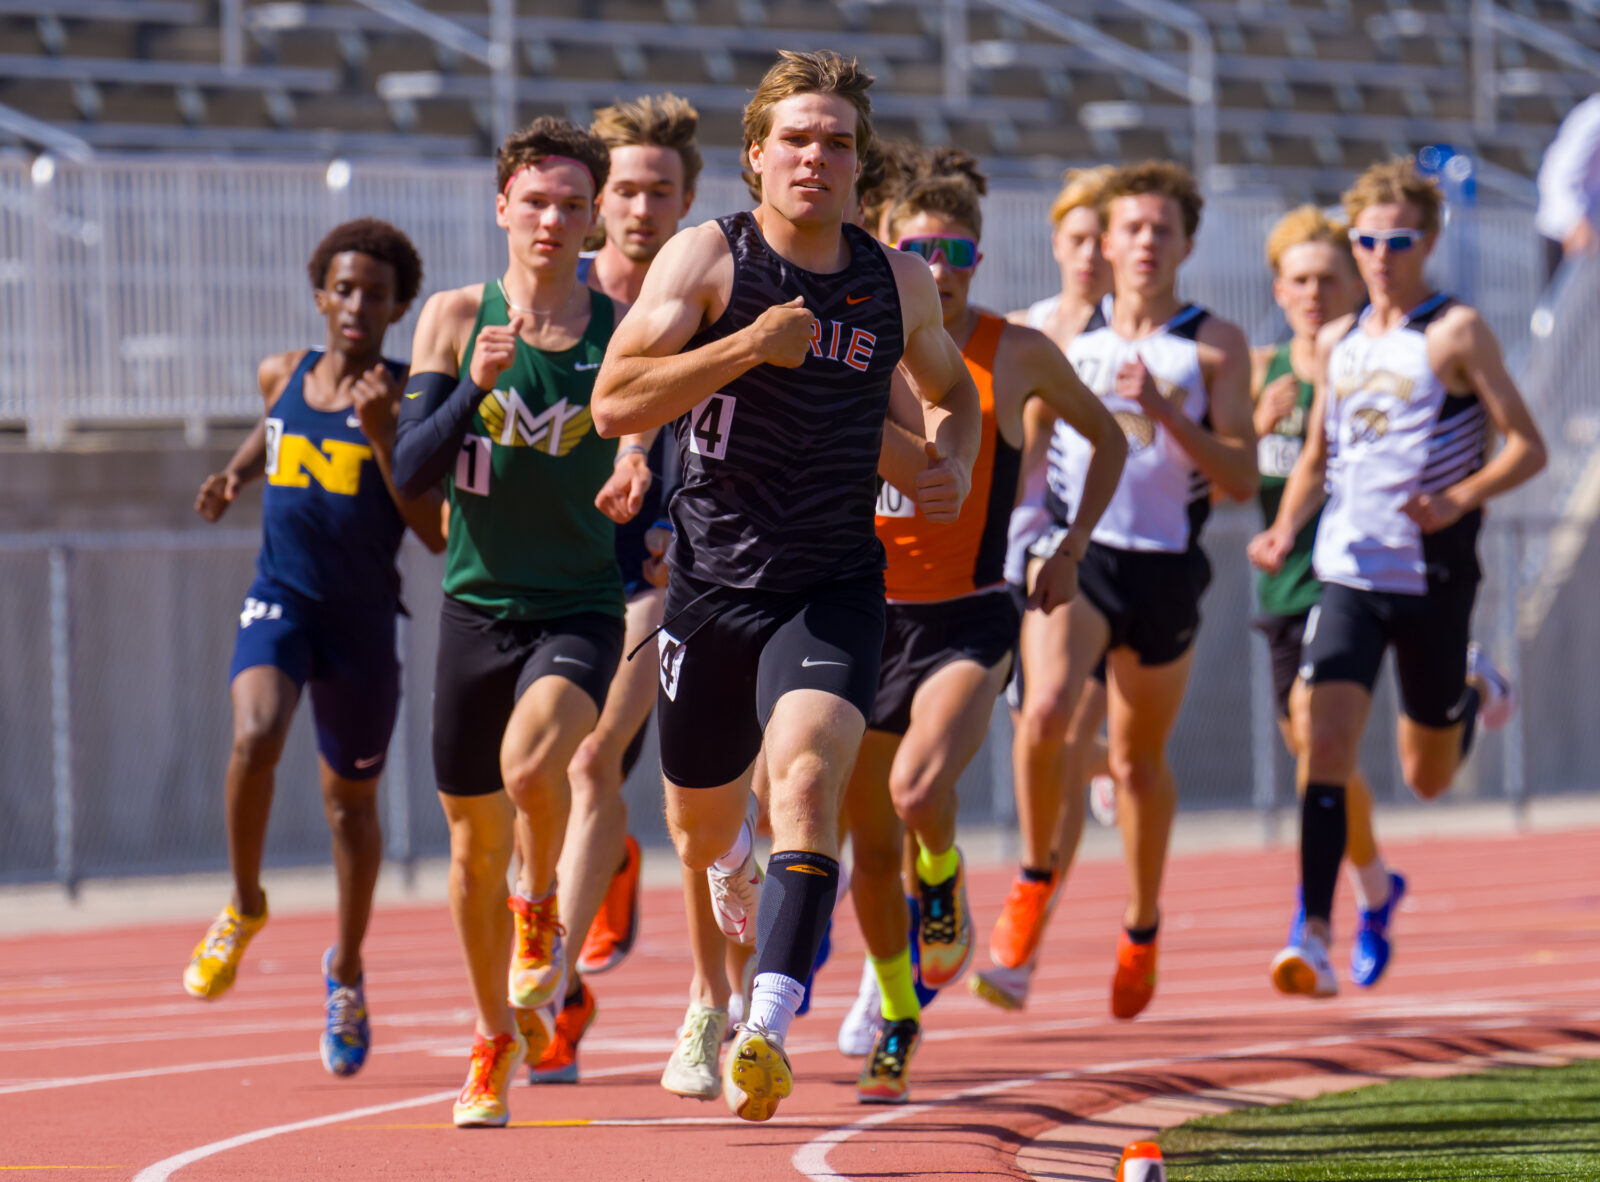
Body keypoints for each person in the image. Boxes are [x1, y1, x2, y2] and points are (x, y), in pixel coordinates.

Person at [591, 49, 982, 1123]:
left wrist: (945, 458)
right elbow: (614, 405)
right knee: (703, 828)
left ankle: (765, 1023)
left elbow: (947, 387)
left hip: (833, 581)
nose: (817, 158)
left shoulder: (893, 279)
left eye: (838, 142)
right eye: (796, 140)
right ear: (757, 156)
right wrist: (750, 347)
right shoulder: (706, 263)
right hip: (712, 587)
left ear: (861, 166)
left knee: (806, 780)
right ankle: (719, 953)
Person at [389, 117, 653, 1128]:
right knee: (467, 851)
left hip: (581, 606)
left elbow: (653, 436)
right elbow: (410, 470)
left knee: (537, 767)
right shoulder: (459, 319)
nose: (551, 219)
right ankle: (494, 1035)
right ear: (501, 207)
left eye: (570, 206)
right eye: (534, 201)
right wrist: (473, 390)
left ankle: (542, 907)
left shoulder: (620, 321)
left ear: (591, 221)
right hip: (473, 606)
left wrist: (637, 467)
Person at [842, 170, 1125, 1103]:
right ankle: (899, 1017)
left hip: (968, 610)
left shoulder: (1018, 352)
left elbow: (1109, 440)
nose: (940, 268)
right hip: (860, 613)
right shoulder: (854, 344)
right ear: (888, 253)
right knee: (866, 849)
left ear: (977, 259)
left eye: (956, 252)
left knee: (920, 787)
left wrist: (1072, 547)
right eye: (918, 251)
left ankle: (946, 873)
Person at [1250, 158, 1545, 998]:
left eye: (1396, 239)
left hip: (1431, 575)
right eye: (1366, 240)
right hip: (1345, 573)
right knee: (1324, 746)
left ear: (1429, 239)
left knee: (1427, 776)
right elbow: (1317, 456)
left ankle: (1466, 679)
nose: (1378, 254)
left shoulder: (1456, 332)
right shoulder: (1339, 342)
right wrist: (1282, 527)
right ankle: (1312, 929)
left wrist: (1459, 497)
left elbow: (1528, 444)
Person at [182, 219, 443, 1080]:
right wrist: (235, 472)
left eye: (375, 292)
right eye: (344, 288)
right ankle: (246, 904)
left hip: (364, 623)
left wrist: (378, 433)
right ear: (321, 294)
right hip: (281, 599)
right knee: (254, 735)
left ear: (400, 305)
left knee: (348, 809)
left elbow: (435, 534)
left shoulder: (407, 397)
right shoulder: (283, 371)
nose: (357, 304)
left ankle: (347, 969)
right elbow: (275, 425)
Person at [1003, 160, 1259, 1022]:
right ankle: (1036, 878)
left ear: (1186, 242)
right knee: (1042, 713)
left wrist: (1168, 411)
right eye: (1131, 228)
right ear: (1104, 242)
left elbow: (1239, 478)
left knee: (1135, 762)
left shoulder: (1215, 343)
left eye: (1162, 229)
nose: (1146, 242)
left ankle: (1142, 925)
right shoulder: (1067, 338)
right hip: (1083, 551)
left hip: (1166, 566)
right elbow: (1027, 454)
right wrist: (1022, 540)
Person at [519, 92, 702, 1087]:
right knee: (533, 779)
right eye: (623, 189)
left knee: (593, 759)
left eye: (658, 191)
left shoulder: (701, 304)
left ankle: (550, 990)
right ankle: (597, 886)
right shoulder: (561, 301)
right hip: (547, 573)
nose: (639, 208)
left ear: (686, 200)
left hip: (653, 570)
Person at [971, 166, 1119, 1014]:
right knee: (1045, 726)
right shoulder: (1024, 331)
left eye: (1107, 239)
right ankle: (1107, 773)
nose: (1095, 254)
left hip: (1098, 551)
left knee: (1056, 719)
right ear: (1057, 244)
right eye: (1079, 239)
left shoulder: (1130, 336)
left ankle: (1025, 942)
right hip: (1022, 545)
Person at [1250, 205, 1405, 989]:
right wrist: (1251, 427)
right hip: (1282, 583)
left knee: (1320, 737)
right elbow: (1218, 479)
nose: (1313, 292)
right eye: (1299, 280)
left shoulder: (1376, 364)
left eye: (1327, 278)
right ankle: (1377, 887)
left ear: (1354, 284)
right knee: (1316, 758)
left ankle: (1314, 920)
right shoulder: (1261, 369)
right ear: (1279, 289)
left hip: (1352, 578)